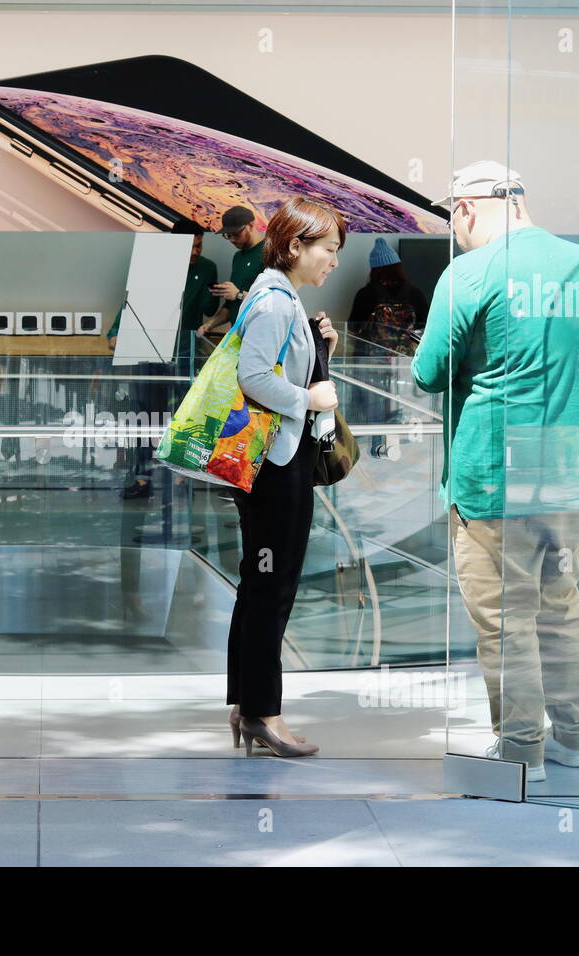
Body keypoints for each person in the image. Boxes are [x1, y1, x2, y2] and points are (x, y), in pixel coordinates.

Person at [412, 161, 579, 783]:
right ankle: (576, 738)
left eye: (452, 218)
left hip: (496, 474)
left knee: (506, 617)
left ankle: (522, 750)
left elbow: (429, 373)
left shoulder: (470, 272)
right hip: (576, 467)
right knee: (561, 605)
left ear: (466, 208)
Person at [227, 196, 343, 759]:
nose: (335, 262)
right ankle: (263, 714)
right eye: (329, 249)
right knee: (272, 588)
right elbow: (253, 376)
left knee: (259, 585)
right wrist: (309, 398)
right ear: (295, 245)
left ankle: (248, 705)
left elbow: (280, 368)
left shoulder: (280, 296)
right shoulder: (276, 301)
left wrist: (323, 352)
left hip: (274, 460)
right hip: (277, 465)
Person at [107, 222, 221, 498]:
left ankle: (183, 479)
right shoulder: (155, 264)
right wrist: (115, 333)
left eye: (200, 245)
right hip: (151, 353)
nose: (196, 251)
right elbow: (132, 302)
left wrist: (211, 295)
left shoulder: (207, 268)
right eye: (192, 246)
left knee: (185, 418)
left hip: (184, 354)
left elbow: (209, 308)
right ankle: (143, 478)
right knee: (147, 417)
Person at [347, 237, 429, 355]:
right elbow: (425, 327)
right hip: (404, 357)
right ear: (398, 268)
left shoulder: (365, 294)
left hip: (370, 358)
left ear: (374, 270)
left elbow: (352, 327)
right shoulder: (415, 294)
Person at [201, 206, 267, 347]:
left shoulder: (269, 253)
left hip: (259, 340)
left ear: (251, 225)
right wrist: (210, 324)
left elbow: (272, 302)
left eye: (235, 234)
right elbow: (231, 306)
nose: (231, 239)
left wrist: (238, 294)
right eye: (228, 235)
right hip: (238, 339)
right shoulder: (238, 257)